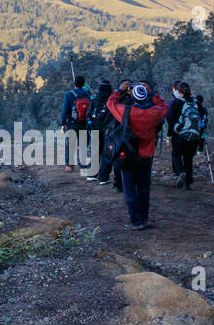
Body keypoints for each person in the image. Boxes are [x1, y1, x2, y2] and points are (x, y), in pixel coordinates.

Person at [106, 82, 169, 229]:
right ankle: (144, 219)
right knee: (143, 188)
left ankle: (136, 220)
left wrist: (119, 90)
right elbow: (164, 106)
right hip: (147, 156)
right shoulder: (154, 113)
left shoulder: (127, 112)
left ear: (133, 97)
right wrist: (152, 92)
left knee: (129, 189)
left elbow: (110, 103)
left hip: (129, 155)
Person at [168, 82, 203, 188]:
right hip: (194, 135)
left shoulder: (176, 102)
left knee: (176, 154)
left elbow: (170, 120)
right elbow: (202, 117)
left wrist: (169, 135)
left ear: (179, 92)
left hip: (179, 134)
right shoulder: (196, 103)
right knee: (188, 159)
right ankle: (188, 183)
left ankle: (180, 172)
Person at [85, 80, 115, 181]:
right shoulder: (112, 101)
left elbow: (88, 115)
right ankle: (103, 177)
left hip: (94, 129)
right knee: (106, 153)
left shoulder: (95, 100)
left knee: (95, 151)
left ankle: (92, 174)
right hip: (108, 130)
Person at [60, 75, 91, 170]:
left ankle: (69, 165)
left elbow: (65, 110)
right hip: (84, 122)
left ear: (74, 84)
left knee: (70, 144)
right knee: (83, 144)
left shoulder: (69, 95)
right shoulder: (87, 94)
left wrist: (63, 123)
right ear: (83, 84)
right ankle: (82, 164)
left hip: (72, 123)